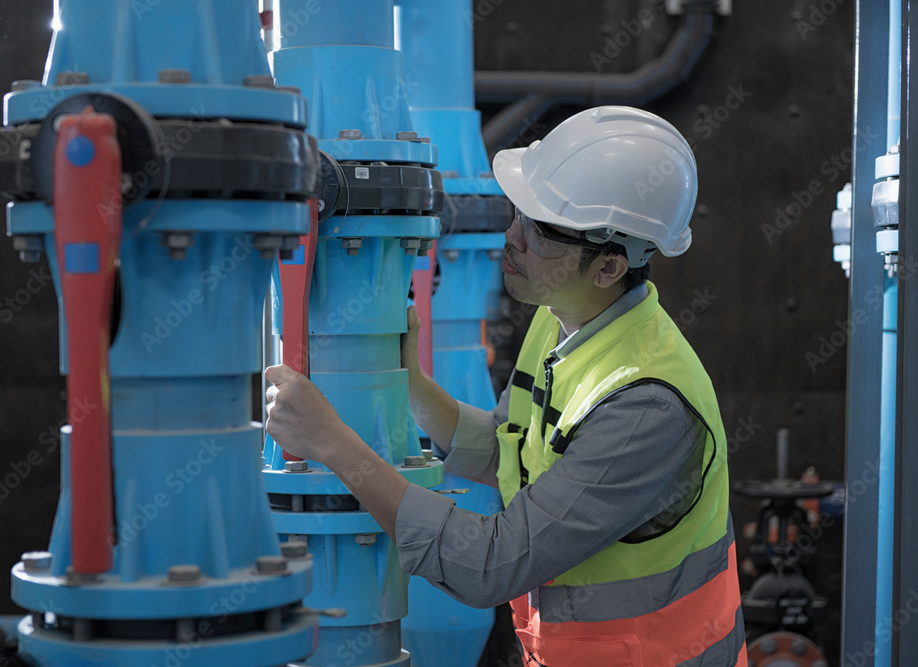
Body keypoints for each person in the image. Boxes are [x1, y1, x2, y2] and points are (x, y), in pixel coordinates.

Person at [265, 106, 747, 667]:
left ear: (608, 268)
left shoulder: (645, 406)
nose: (510, 237)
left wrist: (333, 445)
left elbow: (491, 565)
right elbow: (510, 448)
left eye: (540, 231)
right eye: (519, 212)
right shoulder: (563, 315)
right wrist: (416, 387)